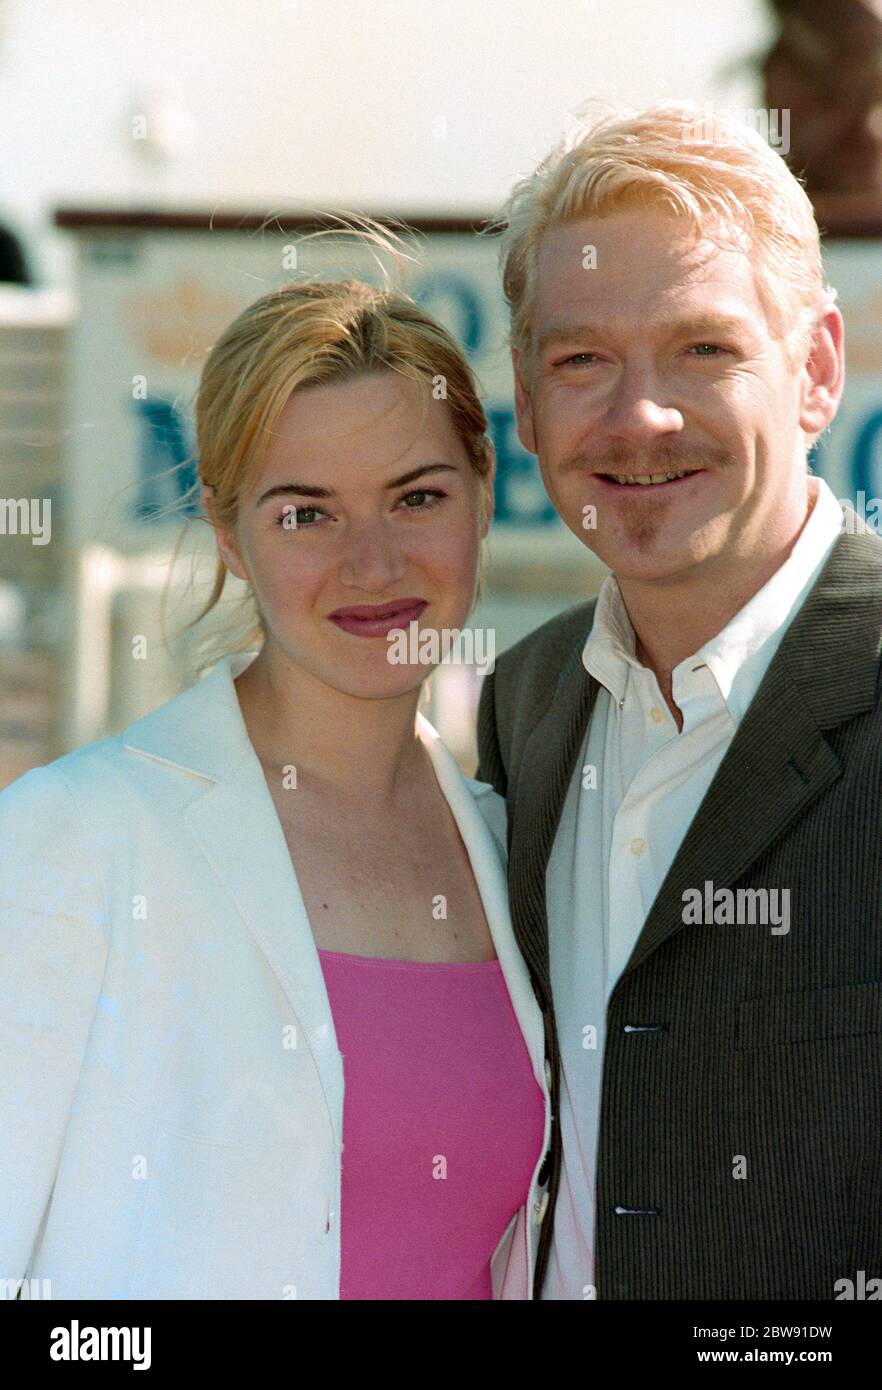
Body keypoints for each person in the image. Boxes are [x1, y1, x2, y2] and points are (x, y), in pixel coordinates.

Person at [0, 274, 551, 1300]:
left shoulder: (519, 853)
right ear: (227, 533)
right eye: (306, 513)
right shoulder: (75, 841)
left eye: (416, 496)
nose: (372, 560)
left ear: (485, 489)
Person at [476, 102, 882, 1300]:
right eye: (582, 360)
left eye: (703, 349)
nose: (638, 417)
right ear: (528, 397)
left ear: (815, 369)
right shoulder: (528, 702)